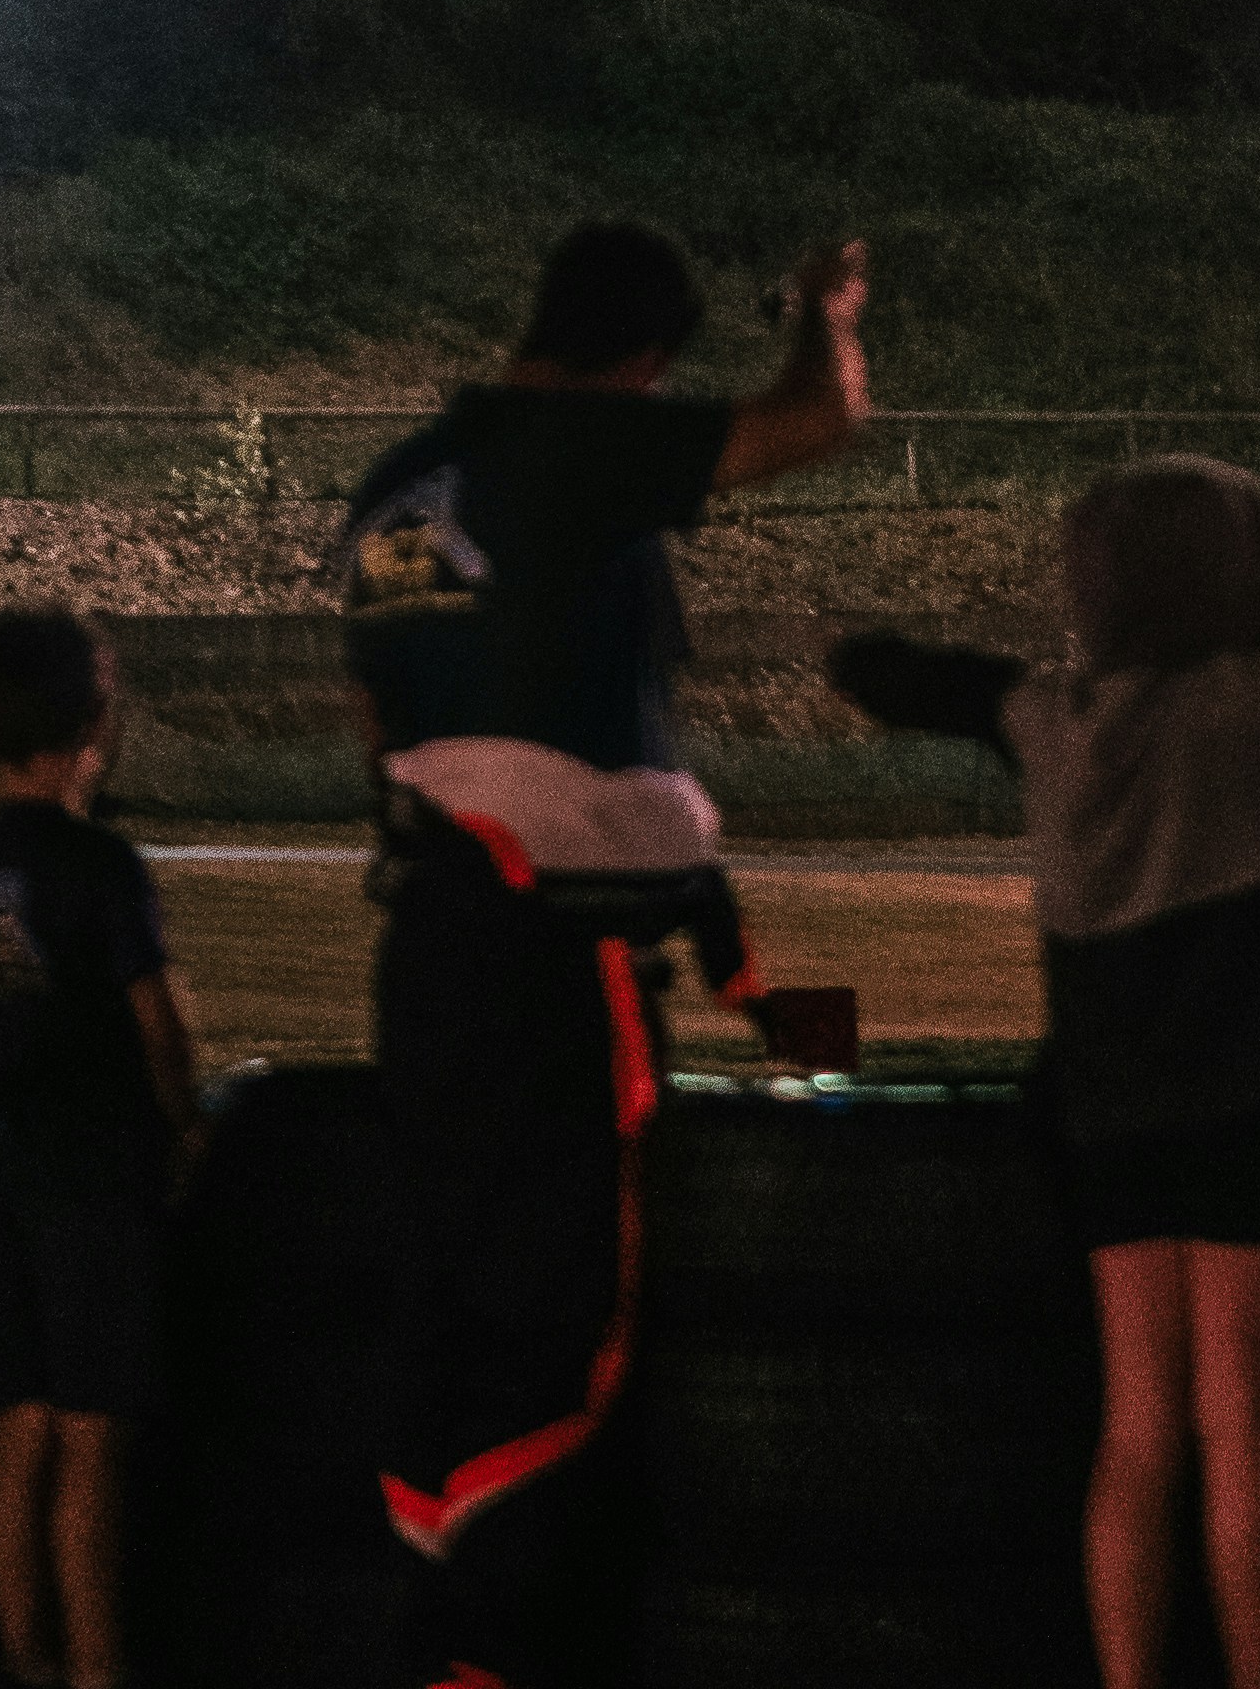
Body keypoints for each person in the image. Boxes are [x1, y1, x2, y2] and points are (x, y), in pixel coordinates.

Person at [337, 213, 873, 1689]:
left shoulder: (396, 491)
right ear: (640, 363)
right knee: (570, 1317)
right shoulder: (571, 454)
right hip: (549, 967)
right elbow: (815, 421)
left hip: (426, 957)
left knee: (453, 1305)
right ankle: (494, 1655)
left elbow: (386, 732)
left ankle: (434, 1628)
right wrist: (825, 309)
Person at [830, 460, 1260, 1689]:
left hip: (1107, 1118)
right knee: (1245, 1430)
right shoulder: (1255, 696)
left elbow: (878, 669)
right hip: (1247, 1100)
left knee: (1138, 1427)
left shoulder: (1047, 717)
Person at [0, 605, 202, 1689]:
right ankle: (98, 1671)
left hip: (4, 1163)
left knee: (22, 1427)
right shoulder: (101, 865)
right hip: (97, 1174)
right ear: (100, 718)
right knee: (94, 1439)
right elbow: (157, 1028)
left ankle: (23, 1658)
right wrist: (188, 1128)